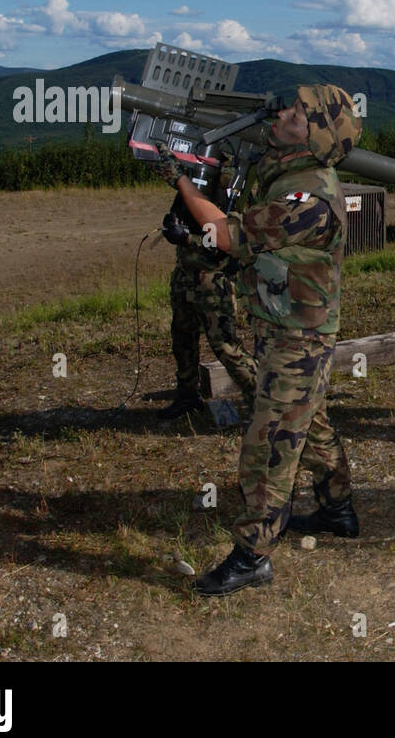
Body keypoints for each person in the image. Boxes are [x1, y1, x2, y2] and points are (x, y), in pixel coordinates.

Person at [152, 85, 362, 595]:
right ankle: (338, 511)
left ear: (312, 133)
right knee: (308, 428)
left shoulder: (309, 199)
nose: (285, 112)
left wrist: (180, 178)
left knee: (268, 446)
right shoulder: (287, 170)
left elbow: (230, 235)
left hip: (299, 339)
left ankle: (253, 557)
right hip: (286, 327)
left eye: (297, 112)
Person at [158, 194, 257, 419]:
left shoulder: (229, 186)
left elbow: (232, 239)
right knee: (182, 338)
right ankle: (187, 396)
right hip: (184, 275)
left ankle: (263, 402)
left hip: (213, 281)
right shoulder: (191, 184)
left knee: (225, 346)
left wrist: (187, 239)